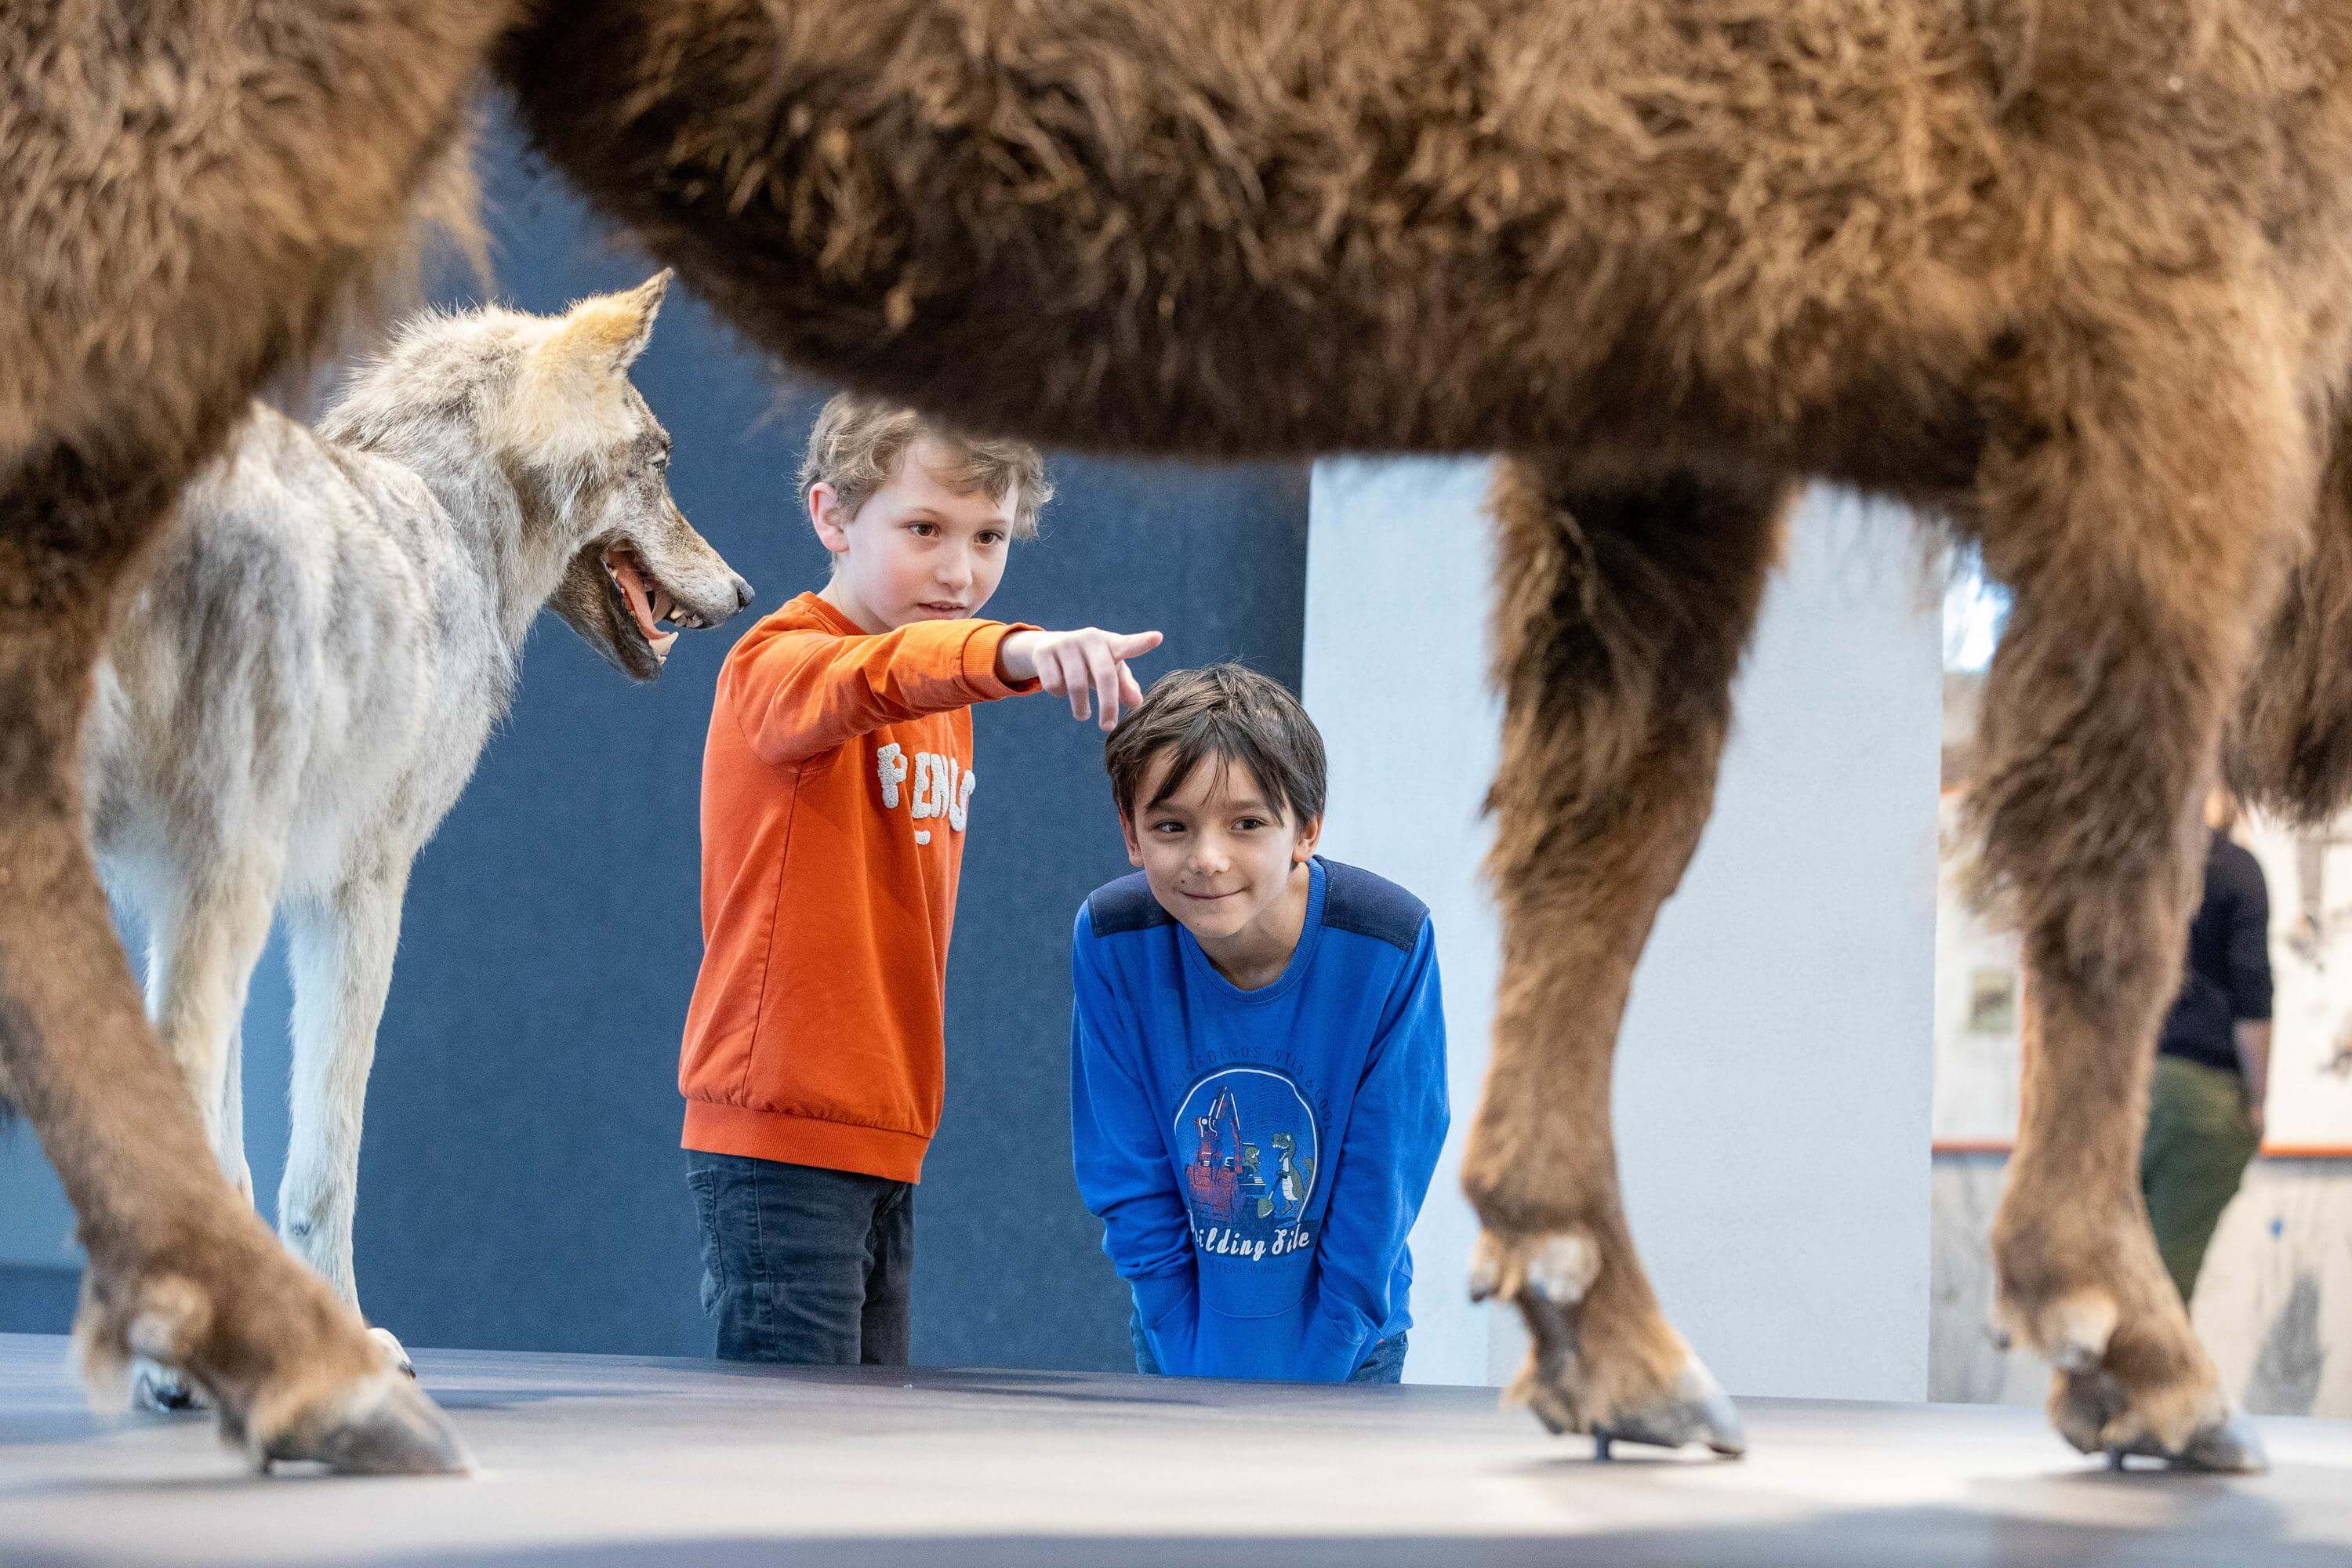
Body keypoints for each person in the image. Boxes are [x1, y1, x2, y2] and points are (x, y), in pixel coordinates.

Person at [679, 393, 1161, 1364]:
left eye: (990, 535)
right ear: (831, 517)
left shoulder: (948, 701)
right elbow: (880, 673)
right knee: (784, 1465)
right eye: (924, 529)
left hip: (887, 1133)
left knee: (861, 1463)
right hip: (781, 1140)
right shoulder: (775, 664)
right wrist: (1016, 648)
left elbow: (921, 672)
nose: (961, 569)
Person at [1069, 664, 1448, 1381]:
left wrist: (1322, 1367)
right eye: (1171, 826)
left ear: (1306, 829)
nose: (1207, 859)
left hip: (1349, 1350)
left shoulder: (1388, 942)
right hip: (1179, 1343)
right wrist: (1185, 1354)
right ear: (1131, 834)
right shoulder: (1112, 938)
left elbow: (1383, 1186)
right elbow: (1126, 1172)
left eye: (1247, 824)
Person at [2141, 787, 2273, 1306]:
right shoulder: (2236, 869)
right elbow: (2252, 992)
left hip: (2128, 1088)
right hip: (2201, 1094)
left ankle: (2110, 1384)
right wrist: (2260, 1098)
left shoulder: (2141, 867)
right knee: (2166, 1291)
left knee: (2122, 1275)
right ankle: (2155, 1385)